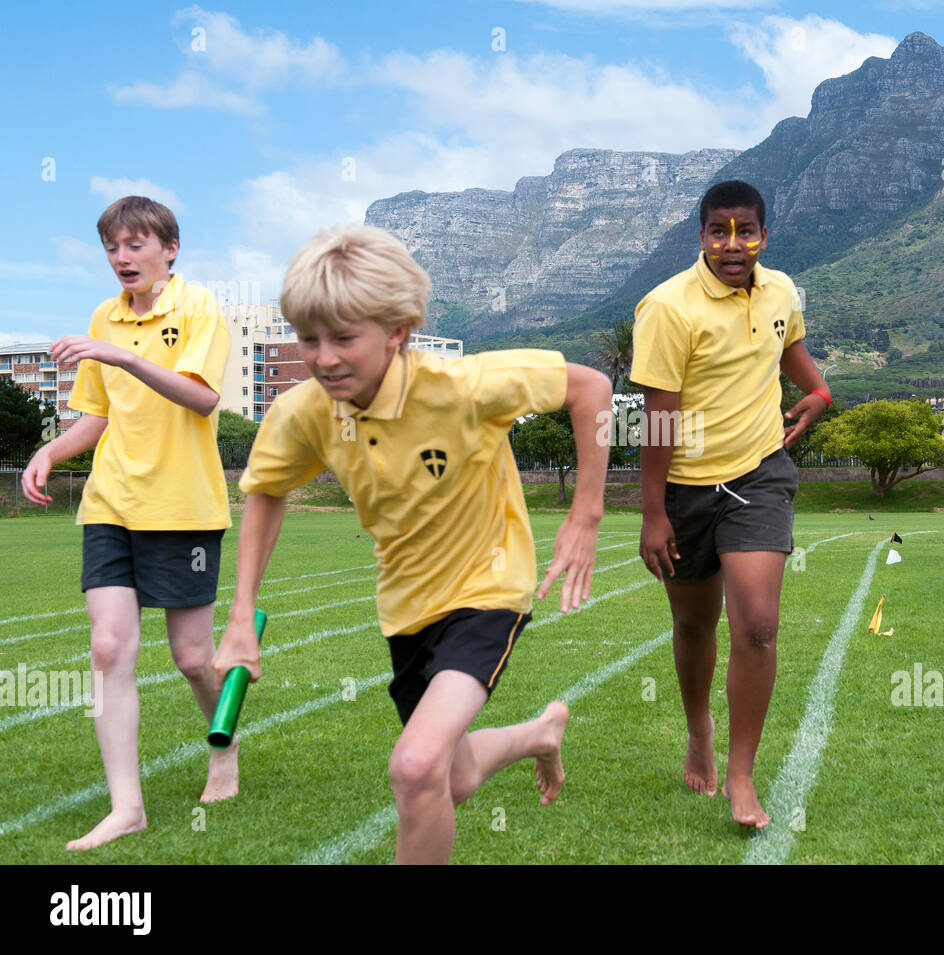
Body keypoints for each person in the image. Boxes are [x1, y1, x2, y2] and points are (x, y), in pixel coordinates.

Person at [214, 225, 611, 864]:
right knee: (444, 779)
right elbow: (264, 492)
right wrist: (240, 615)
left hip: (489, 587)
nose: (324, 358)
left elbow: (589, 387)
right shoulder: (304, 413)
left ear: (398, 329)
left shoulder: (463, 387)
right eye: (308, 338)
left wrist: (584, 515)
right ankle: (539, 733)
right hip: (405, 608)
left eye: (344, 338)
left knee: (414, 766)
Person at [21, 196, 233, 849]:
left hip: (184, 506)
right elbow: (99, 415)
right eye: (112, 246)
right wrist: (52, 450)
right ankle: (127, 807)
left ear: (170, 248)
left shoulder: (199, 308)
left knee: (194, 657)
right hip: (111, 503)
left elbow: (201, 397)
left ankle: (224, 747)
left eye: (135, 244)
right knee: (109, 647)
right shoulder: (102, 319)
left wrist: (123, 358)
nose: (121, 257)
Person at [632, 180, 829, 829]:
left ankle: (742, 776)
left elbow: (791, 353)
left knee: (758, 623)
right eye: (720, 231)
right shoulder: (667, 307)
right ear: (702, 236)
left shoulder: (781, 293)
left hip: (760, 475)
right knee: (694, 625)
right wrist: (654, 512)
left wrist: (819, 392)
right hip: (687, 489)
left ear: (765, 235)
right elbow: (657, 421)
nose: (733, 244)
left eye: (746, 230)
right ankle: (698, 729)